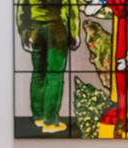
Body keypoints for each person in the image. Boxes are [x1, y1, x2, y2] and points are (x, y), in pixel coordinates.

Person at [16, 0, 81, 134]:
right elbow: (71, 7)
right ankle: (50, 121)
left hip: (34, 29)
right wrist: (74, 33)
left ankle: (38, 116)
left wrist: (24, 32)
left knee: (38, 73)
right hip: (56, 28)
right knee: (55, 75)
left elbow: (21, 9)